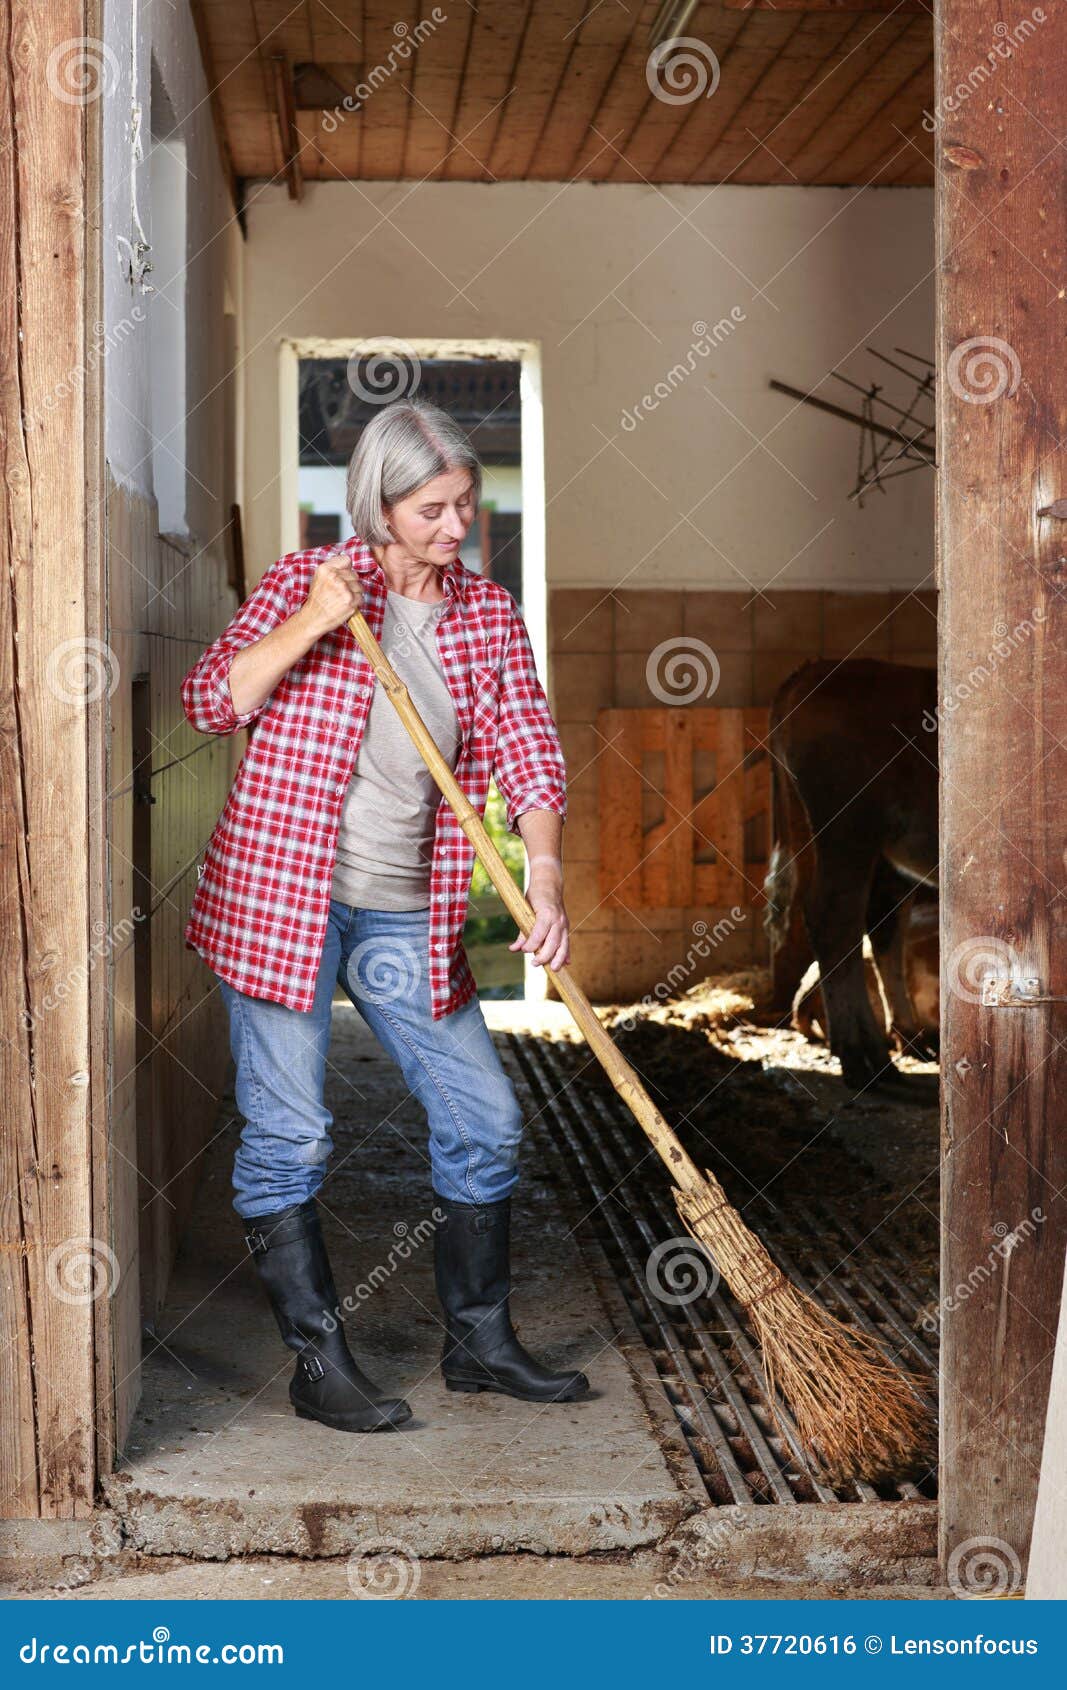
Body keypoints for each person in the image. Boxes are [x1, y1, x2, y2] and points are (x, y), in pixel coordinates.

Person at [181, 399, 590, 1432]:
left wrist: (541, 873)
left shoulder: (487, 614)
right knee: (291, 1133)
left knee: (485, 1118)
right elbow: (210, 701)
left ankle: (479, 1343)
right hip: (285, 900)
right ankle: (321, 1365)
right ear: (379, 503)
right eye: (432, 509)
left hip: (404, 913)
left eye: (465, 505)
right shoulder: (304, 584)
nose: (456, 528)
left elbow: (530, 752)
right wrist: (314, 621)